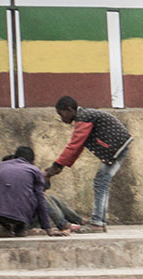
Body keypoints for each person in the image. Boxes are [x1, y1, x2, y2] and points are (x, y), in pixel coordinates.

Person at [45, 96, 133, 231]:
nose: (62, 119)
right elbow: (78, 147)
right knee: (101, 181)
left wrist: (56, 166)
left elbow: (74, 145)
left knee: (101, 181)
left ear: (68, 109)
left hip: (116, 147)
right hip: (118, 146)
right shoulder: (85, 115)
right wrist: (60, 166)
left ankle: (98, 222)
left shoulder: (83, 117)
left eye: (61, 114)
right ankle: (99, 222)